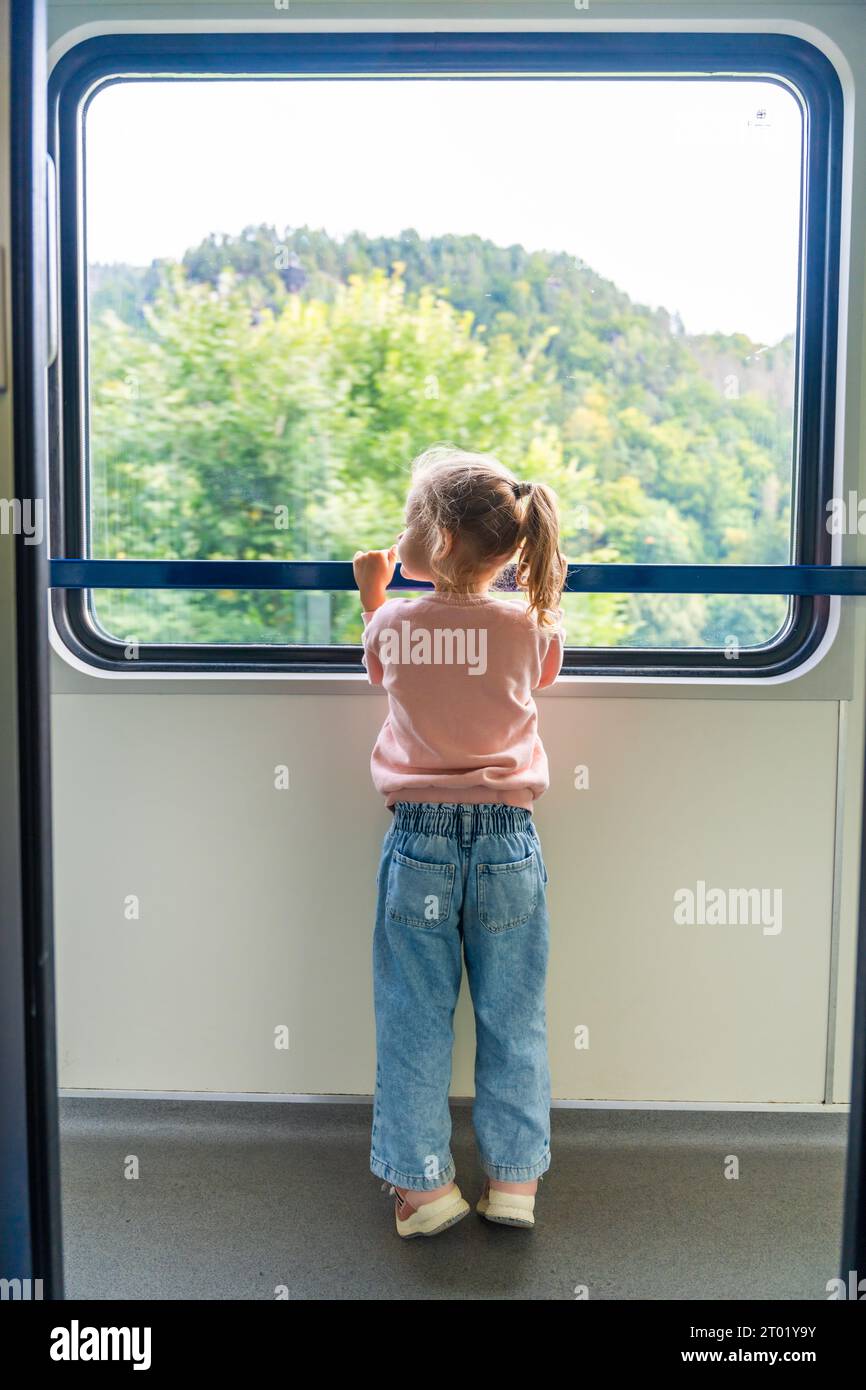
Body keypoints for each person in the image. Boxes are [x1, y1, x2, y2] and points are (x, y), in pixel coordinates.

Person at [353, 443, 566, 1238]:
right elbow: (541, 673)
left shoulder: (397, 622)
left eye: (411, 519)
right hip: (511, 840)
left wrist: (375, 592)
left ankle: (423, 1189)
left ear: (436, 542)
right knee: (515, 1015)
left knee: (415, 1014)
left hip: (421, 845)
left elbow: (381, 664)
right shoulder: (528, 623)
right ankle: (514, 1183)